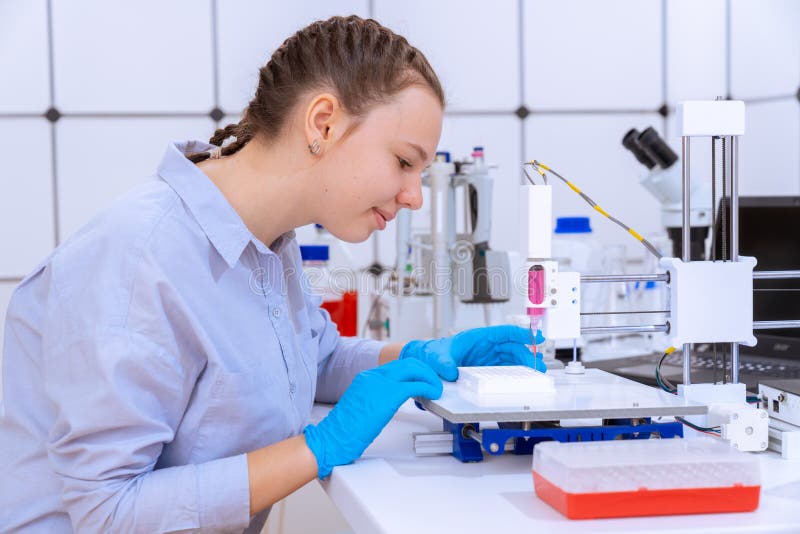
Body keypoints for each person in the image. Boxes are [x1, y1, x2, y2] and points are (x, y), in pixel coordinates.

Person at [0, 15, 544, 532]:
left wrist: (427, 355)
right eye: (404, 162)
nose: (414, 198)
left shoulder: (267, 243)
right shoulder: (138, 257)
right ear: (323, 122)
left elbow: (314, 357)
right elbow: (107, 512)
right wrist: (319, 447)